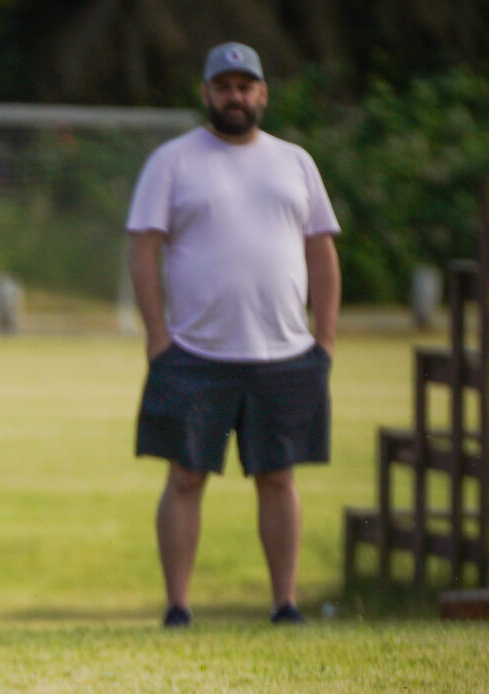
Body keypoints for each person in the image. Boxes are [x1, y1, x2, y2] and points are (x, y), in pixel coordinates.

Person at [126, 42, 341, 628]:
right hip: (195, 351)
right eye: (224, 87)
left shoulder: (295, 162)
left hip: (287, 350)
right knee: (185, 475)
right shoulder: (173, 161)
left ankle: (286, 604)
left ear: (262, 94)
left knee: (278, 475)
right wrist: (157, 336)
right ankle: (177, 607)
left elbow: (321, 251)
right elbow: (144, 248)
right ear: (207, 94)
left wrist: (324, 339)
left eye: (246, 86)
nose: (235, 97)